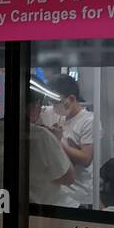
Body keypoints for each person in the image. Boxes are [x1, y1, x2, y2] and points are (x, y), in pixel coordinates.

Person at [42, 74, 95, 207]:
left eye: (56, 102)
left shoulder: (89, 121)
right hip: (57, 194)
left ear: (71, 99)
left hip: (78, 196)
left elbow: (86, 159)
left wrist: (60, 143)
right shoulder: (52, 112)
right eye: (51, 102)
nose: (54, 107)